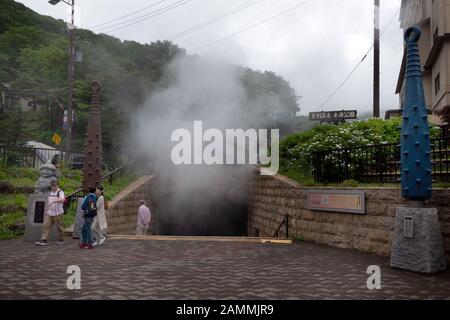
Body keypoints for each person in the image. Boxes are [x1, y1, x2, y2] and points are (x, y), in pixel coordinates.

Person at [35, 181, 65, 246]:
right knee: (46, 225)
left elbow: (62, 199)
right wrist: (48, 209)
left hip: (58, 212)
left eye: (55, 186)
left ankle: (61, 239)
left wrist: (54, 201)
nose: (54, 187)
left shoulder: (60, 192)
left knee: (59, 226)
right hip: (50, 212)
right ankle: (43, 240)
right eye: (52, 186)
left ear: (57, 186)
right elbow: (49, 201)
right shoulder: (51, 192)